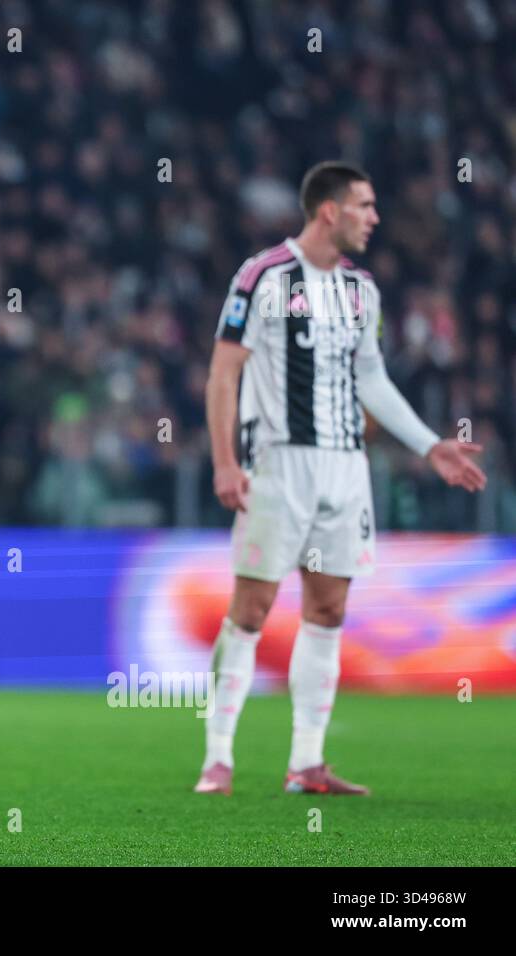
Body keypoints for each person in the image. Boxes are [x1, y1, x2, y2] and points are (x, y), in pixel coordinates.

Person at [195, 161, 487, 796]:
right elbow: (224, 371)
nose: (375, 218)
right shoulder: (263, 276)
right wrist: (225, 460)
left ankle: (307, 763)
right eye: (365, 205)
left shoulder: (363, 290)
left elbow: (373, 379)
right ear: (329, 210)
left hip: (345, 468)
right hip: (278, 463)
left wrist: (429, 444)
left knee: (328, 609)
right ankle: (217, 757)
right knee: (251, 609)